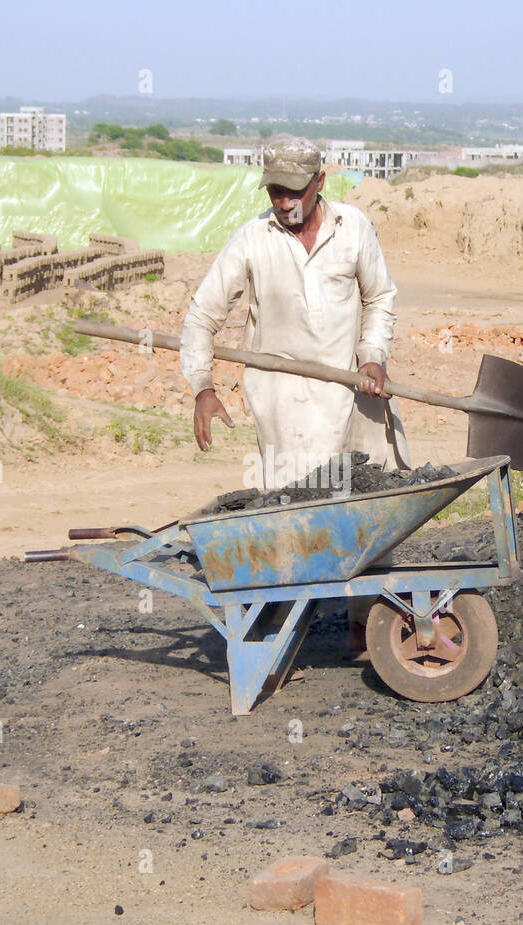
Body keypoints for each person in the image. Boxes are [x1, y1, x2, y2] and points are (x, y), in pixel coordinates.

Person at [180, 135, 410, 652]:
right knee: (291, 514)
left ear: (319, 183)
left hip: (355, 394)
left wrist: (371, 354)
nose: (283, 202)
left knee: (368, 508)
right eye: (274, 192)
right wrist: (202, 386)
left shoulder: (354, 230)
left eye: (293, 191)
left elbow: (380, 297)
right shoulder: (252, 241)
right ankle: (278, 631)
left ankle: (366, 622)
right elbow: (202, 315)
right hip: (285, 403)